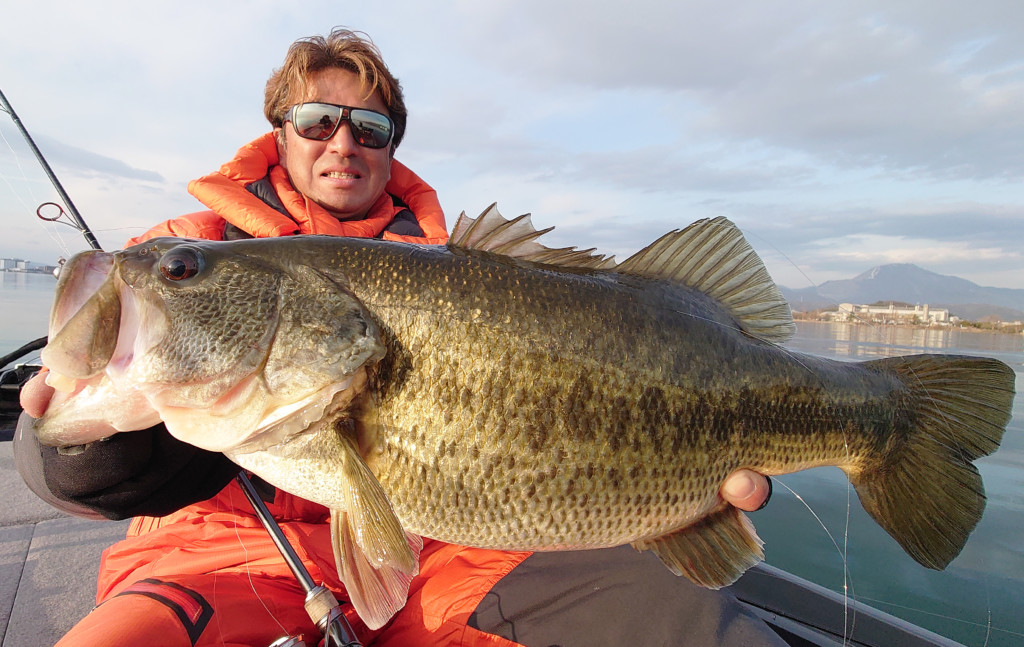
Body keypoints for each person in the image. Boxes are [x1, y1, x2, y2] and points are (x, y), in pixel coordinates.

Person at [16, 28, 781, 647]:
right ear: (279, 134)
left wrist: (682, 496)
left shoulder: (464, 278)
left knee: (684, 622)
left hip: (452, 548)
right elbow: (62, 454)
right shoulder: (195, 247)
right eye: (317, 120)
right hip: (218, 550)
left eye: (370, 127)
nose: (342, 142)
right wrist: (85, 442)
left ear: (390, 148)